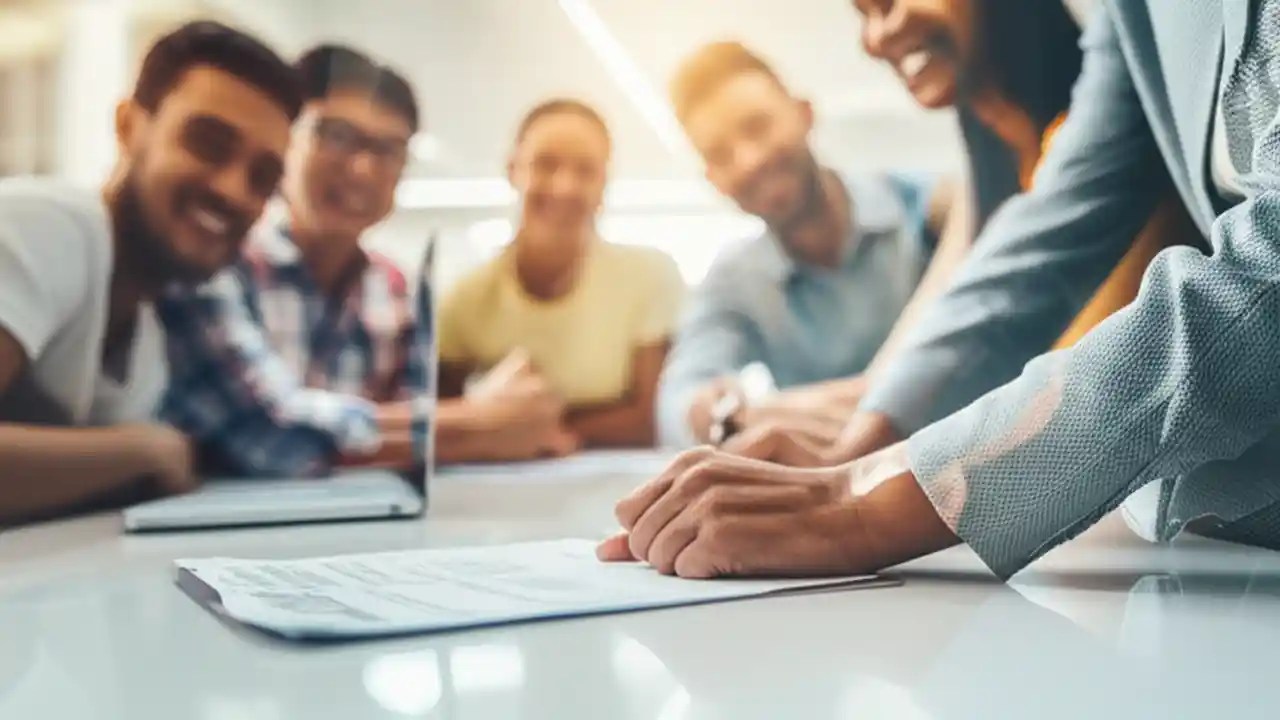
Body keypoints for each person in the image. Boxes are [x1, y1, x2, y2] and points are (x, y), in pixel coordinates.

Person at [599, 1, 1280, 581]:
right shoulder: (1125, 16)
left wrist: (869, 500)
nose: (877, 33)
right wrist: (856, 455)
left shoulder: (918, 203)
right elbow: (1025, 260)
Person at [160, 46, 574, 477]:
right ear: (285, 139)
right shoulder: (215, 262)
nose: (362, 168)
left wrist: (469, 425)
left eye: (389, 149)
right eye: (337, 135)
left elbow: (414, 452)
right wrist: (481, 421)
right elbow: (266, 433)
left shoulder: (402, 291)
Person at [0, 22, 300, 524]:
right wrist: (143, 452)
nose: (233, 190)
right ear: (129, 126)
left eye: (262, 177)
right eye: (208, 143)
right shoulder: (51, 227)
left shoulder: (146, 337)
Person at [655, 41, 955, 449]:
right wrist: (720, 414)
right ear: (712, 179)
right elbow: (678, 400)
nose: (748, 161)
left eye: (756, 127)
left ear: (805, 114)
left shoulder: (929, 208)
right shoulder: (734, 282)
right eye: (720, 154)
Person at [437, 99, 685, 449]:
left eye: (585, 170)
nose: (565, 186)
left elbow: (651, 418)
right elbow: (439, 421)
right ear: (512, 170)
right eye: (545, 164)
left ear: (604, 185)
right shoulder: (464, 298)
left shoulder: (650, 277)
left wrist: (519, 426)